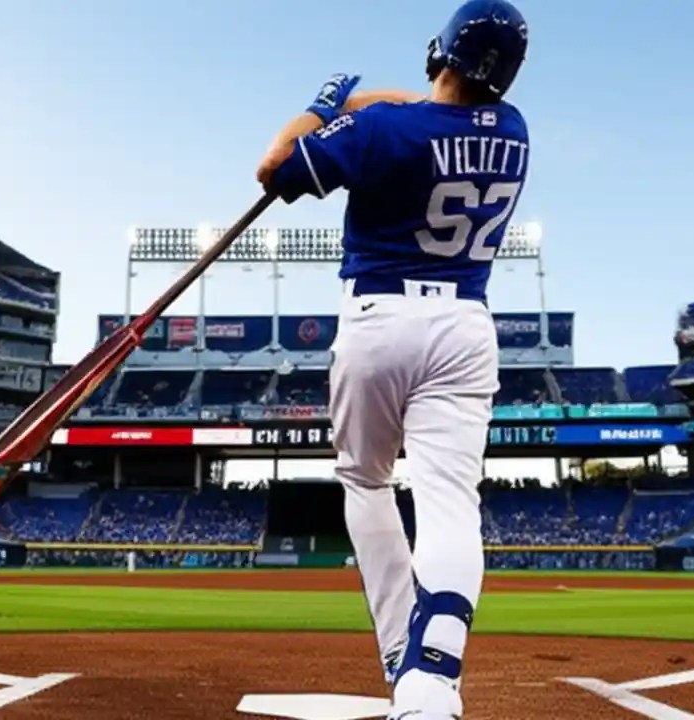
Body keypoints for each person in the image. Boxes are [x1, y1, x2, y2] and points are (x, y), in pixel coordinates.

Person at [255, 2, 530, 717]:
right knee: (449, 503)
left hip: (379, 318)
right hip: (466, 327)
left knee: (367, 484)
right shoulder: (515, 130)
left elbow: (275, 168)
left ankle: (394, 654)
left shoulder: (380, 129)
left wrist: (320, 108)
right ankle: (430, 675)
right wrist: (362, 105)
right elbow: (430, 111)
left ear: (440, 52)